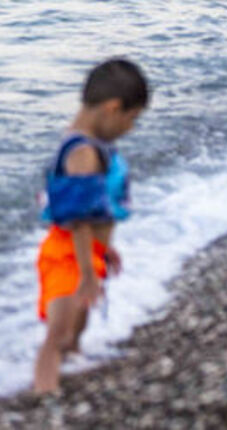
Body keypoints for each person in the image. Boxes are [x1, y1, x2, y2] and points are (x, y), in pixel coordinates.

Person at [33, 58, 148, 395]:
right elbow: (79, 216)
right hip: (70, 254)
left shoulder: (87, 144)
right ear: (113, 109)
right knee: (58, 334)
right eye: (132, 119)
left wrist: (104, 249)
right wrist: (86, 271)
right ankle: (44, 393)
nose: (131, 128)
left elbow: (96, 211)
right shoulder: (82, 151)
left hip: (85, 252)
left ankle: (72, 368)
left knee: (75, 329)